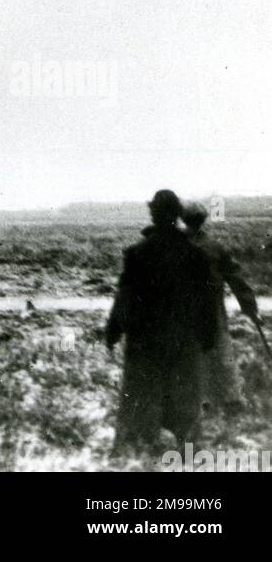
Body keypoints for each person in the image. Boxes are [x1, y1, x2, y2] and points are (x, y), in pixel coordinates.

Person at [105, 190, 218, 452]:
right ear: (178, 214)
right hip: (182, 339)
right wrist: (208, 335)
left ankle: (136, 450)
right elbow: (206, 302)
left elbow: (125, 298)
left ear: (153, 214)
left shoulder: (137, 254)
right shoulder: (196, 255)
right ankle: (184, 450)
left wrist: (113, 331)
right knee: (182, 396)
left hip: (145, 341)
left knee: (141, 396)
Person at [182, 202, 258, 413]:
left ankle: (203, 402)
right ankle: (231, 400)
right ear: (203, 220)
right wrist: (250, 307)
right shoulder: (215, 247)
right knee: (222, 354)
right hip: (212, 310)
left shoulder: (176, 247)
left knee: (192, 355)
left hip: (186, 311)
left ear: (183, 220)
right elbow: (236, 278)